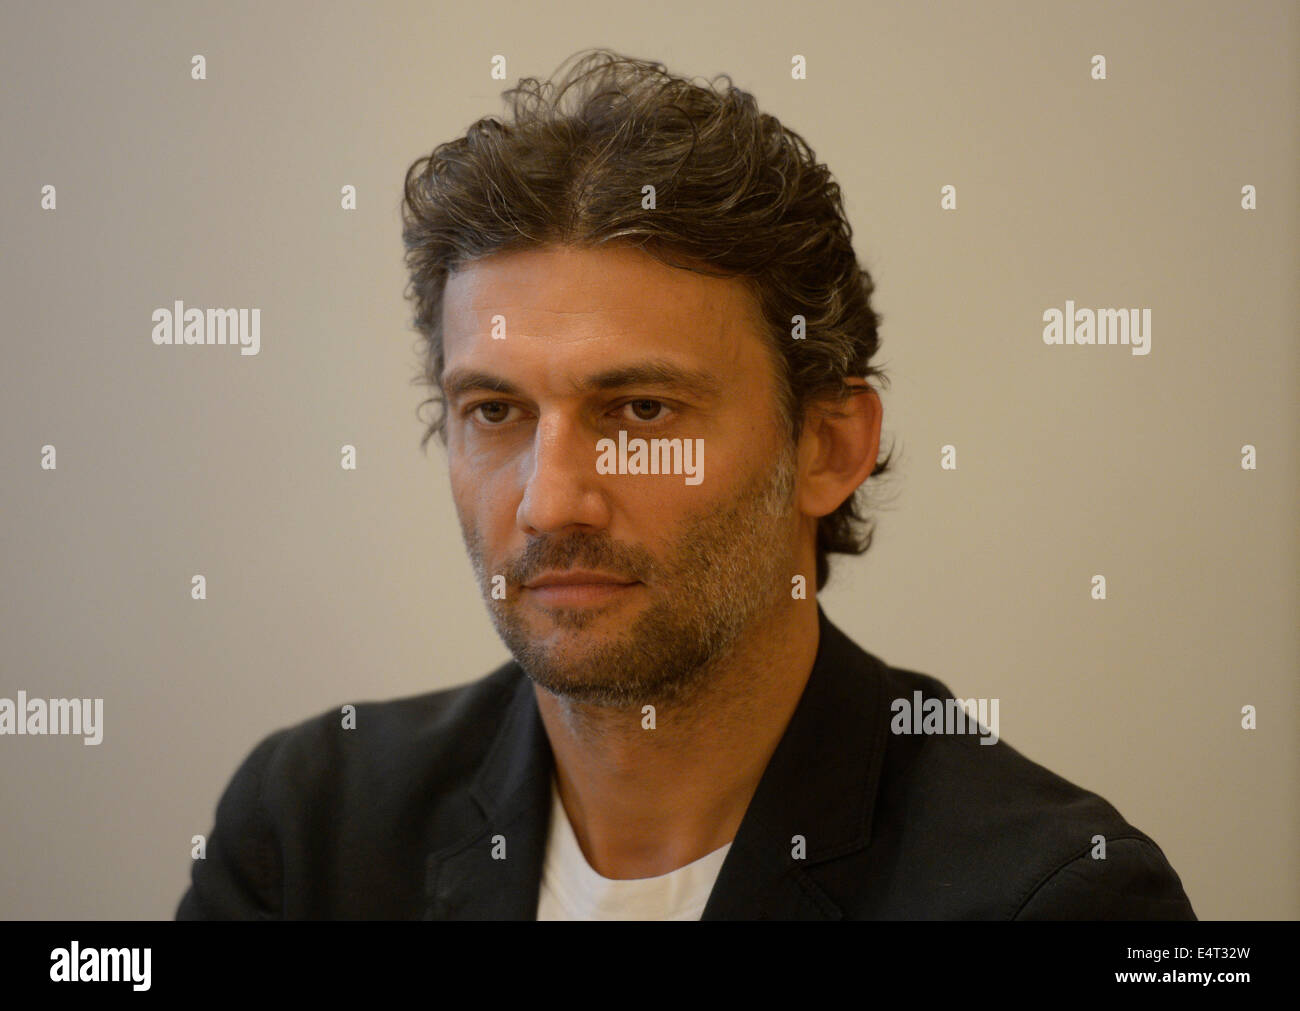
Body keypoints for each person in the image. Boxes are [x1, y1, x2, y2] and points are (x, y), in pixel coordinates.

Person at [176, 49, 1195, 920]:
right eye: (495, 411)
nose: (550, 502)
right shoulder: (308, 831)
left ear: (827, 448)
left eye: (641, 411)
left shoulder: (1049, 897)